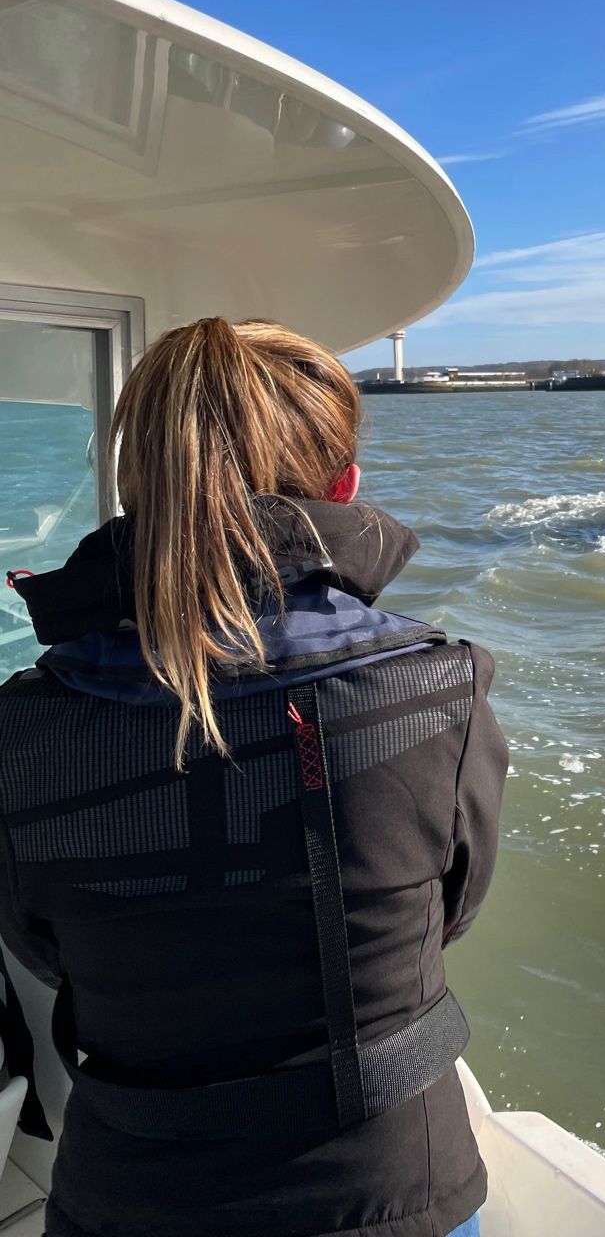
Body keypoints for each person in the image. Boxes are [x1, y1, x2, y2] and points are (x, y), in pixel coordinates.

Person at [0, 317, 508, 1237]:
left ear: (133, 490)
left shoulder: (22, 727)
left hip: (126, 1196)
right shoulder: (441, 689)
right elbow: (451, 911)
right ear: (344, 487)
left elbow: (40, 946)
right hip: (395, 1189)